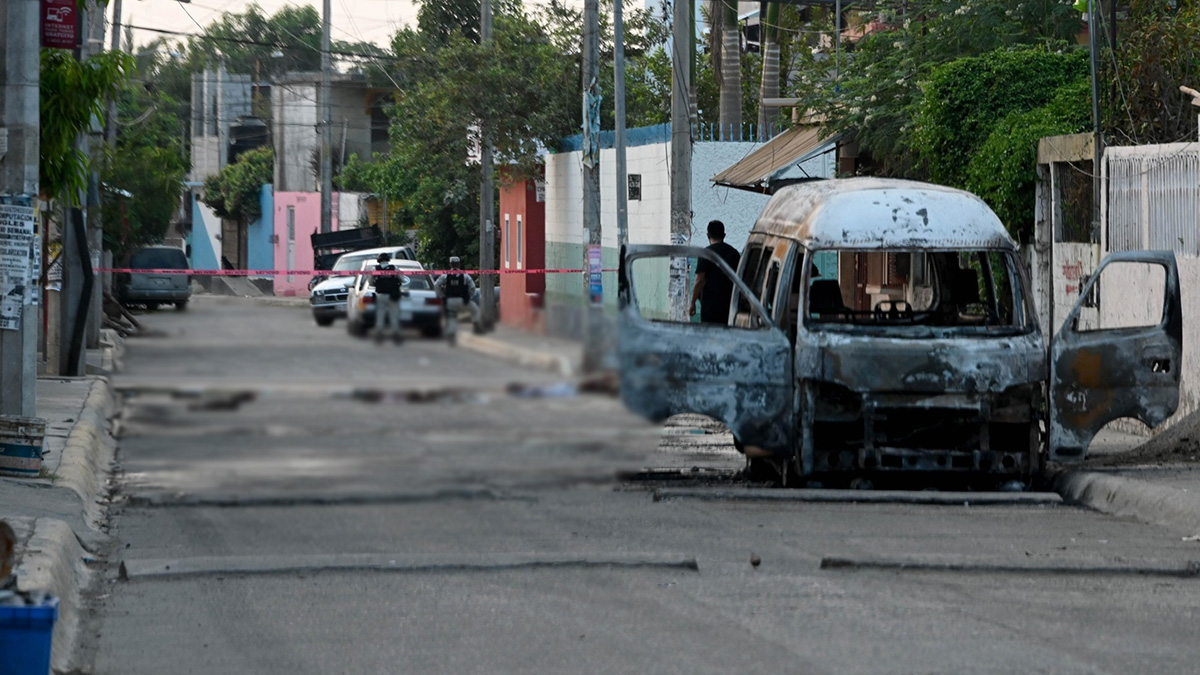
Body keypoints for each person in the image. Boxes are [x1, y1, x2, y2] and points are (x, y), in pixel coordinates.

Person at [689, 220, 741, 324]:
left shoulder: (705, 254)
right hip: (730, 305)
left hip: (710, 307)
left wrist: (693, 302)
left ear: (708, 235)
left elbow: (700, 280)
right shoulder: (734, 253)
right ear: (724, 235)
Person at [434, 256, 480, 335]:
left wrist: (442, 297)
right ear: (459, 264)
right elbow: (472, 287)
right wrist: (469, 297)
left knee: (451, 316)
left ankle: (451, 333)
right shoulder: (465, 275)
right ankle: (476, 326)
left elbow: (436, 285)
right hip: (462, 300)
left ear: (450, 265)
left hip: (450, 300)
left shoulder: (445, 275)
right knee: (476, 310)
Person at [372, 252, 404, 344]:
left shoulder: (375, 269)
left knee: (380, 315)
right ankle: (396, 336)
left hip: (381, 295)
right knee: (394, 315)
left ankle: (379, 336)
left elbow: (370, 282)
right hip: (393, 295)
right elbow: (402, 279)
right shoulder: (394, 268)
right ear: (388, 260)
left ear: (379, 260)